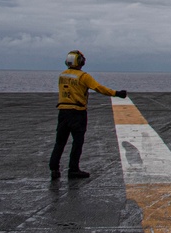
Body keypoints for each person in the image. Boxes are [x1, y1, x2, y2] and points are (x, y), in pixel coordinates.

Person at [48, 50, 127, 179]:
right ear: (80, 61)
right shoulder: (83, 76)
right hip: (77, 112)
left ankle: (54, 168)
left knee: (60, 142)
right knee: (77, 142)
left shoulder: (62, 75)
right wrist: (116, 93)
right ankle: (73, 169)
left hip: (63, 112)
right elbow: (98, 88)